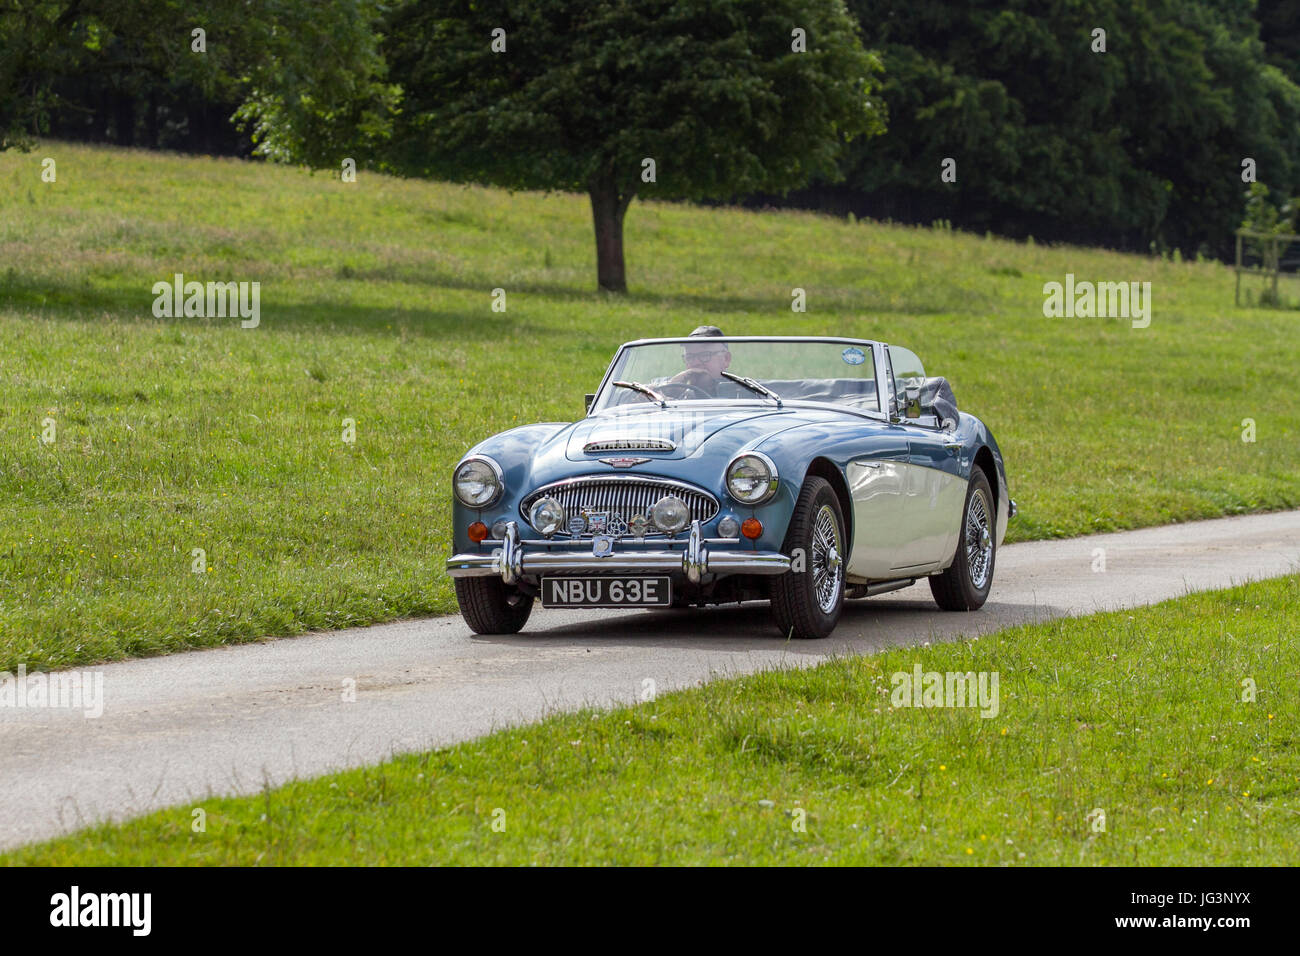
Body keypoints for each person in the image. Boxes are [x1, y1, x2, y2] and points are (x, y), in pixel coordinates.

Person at [667, 326, 731, 397]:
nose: (696, 363)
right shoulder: (674, 385)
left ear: (726, 359)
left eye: (705, 355)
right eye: (690, 357)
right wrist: (668, 392)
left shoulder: (741, 389)